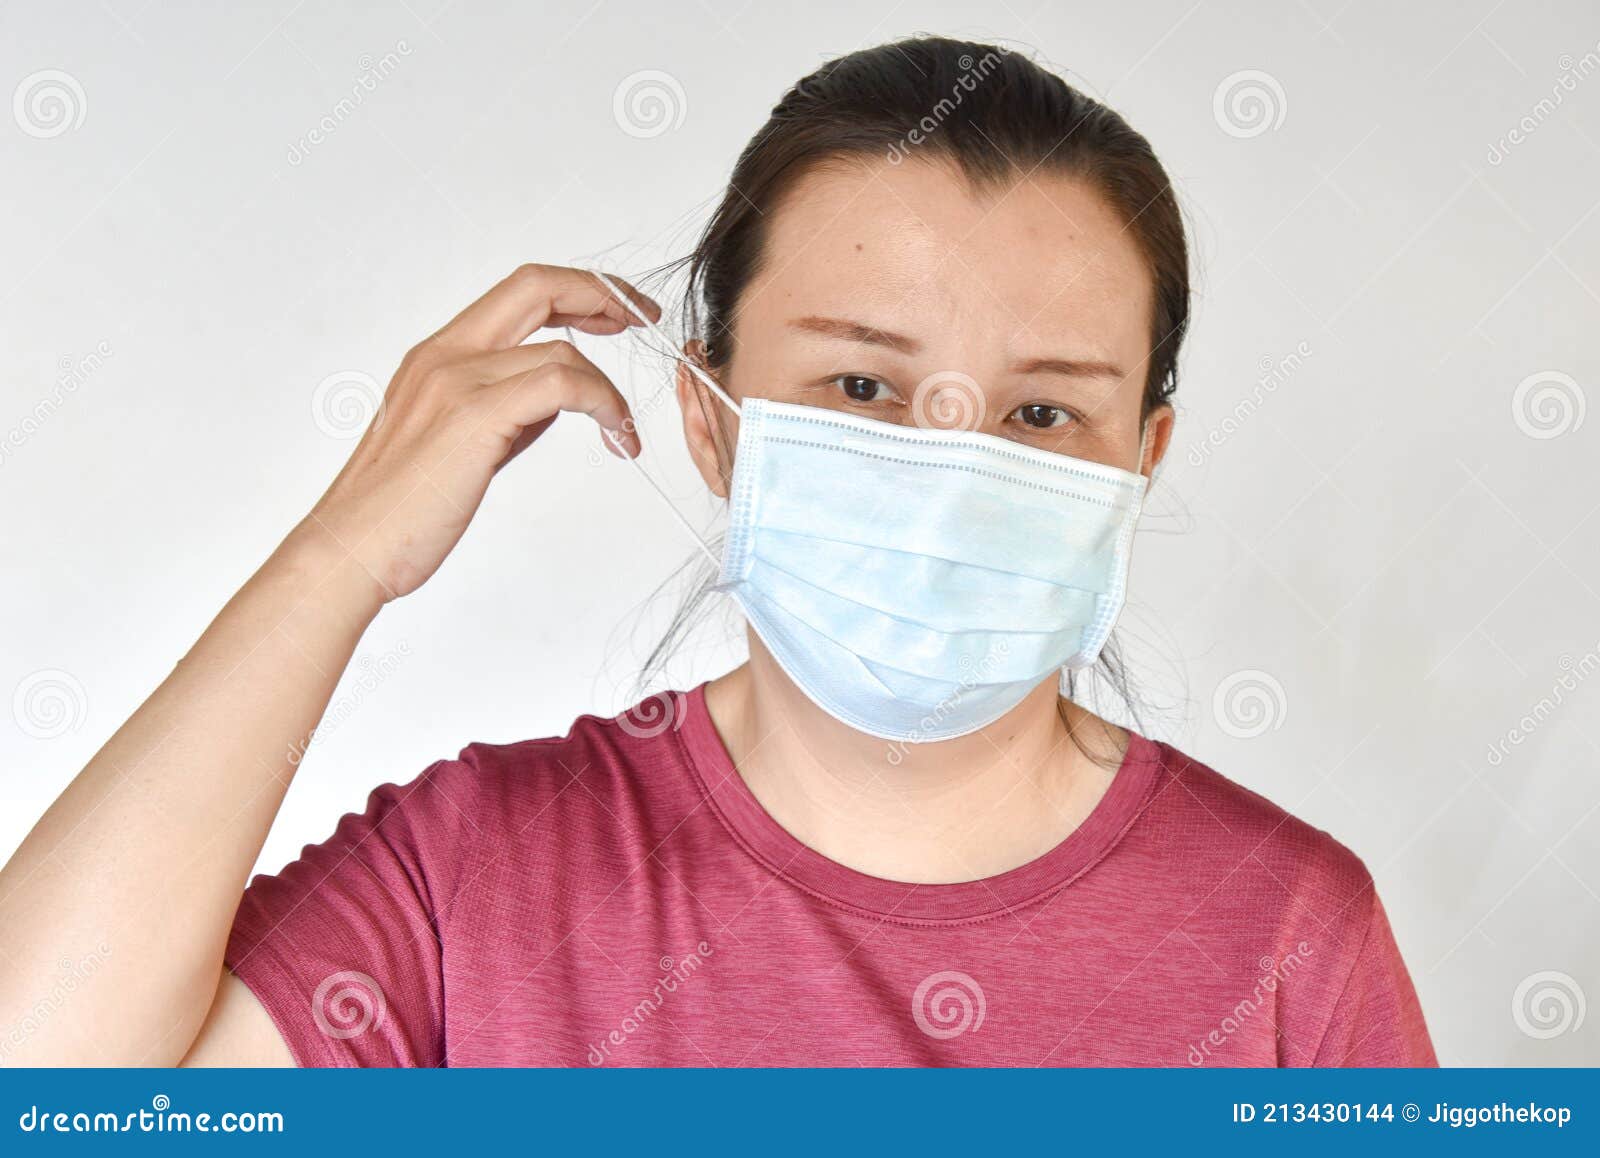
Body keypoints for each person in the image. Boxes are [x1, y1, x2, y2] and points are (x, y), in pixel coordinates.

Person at [0, 36, 1434, 1067]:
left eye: (1042, 410)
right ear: (712, 419)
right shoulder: (477, 881)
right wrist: (336, 559)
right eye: (862, 388)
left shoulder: (1292, 940)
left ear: (1141, 458)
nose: (947, 473)